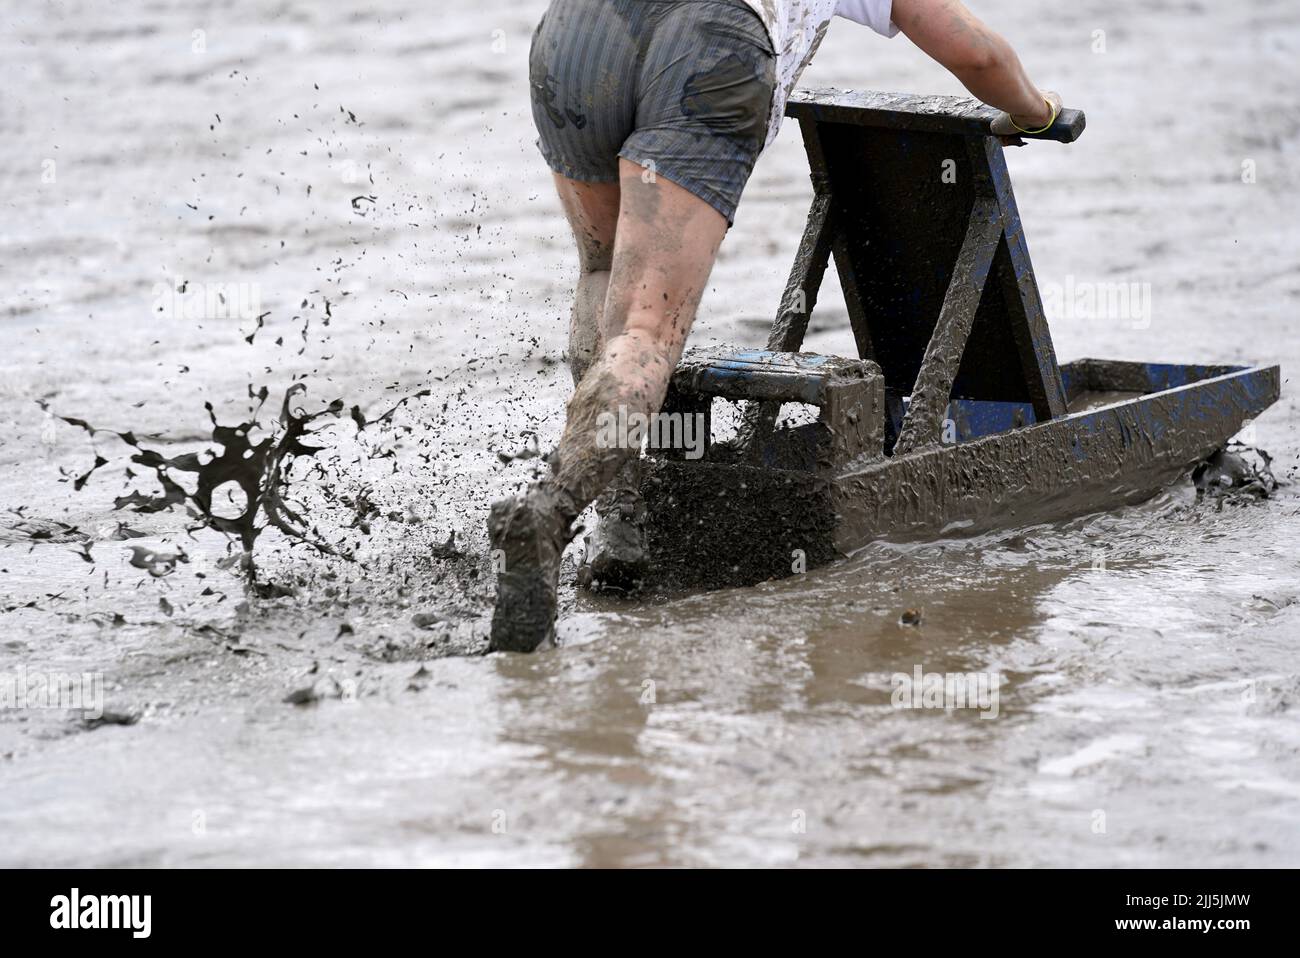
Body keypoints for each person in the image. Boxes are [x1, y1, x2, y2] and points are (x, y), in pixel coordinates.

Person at [489, 0, 1064, 652]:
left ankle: (622, 521)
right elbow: (976, 52)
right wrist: (1035, 111)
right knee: (646, 331)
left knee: (601, 272)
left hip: (579, 34)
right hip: (704, 40)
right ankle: (553, 510)